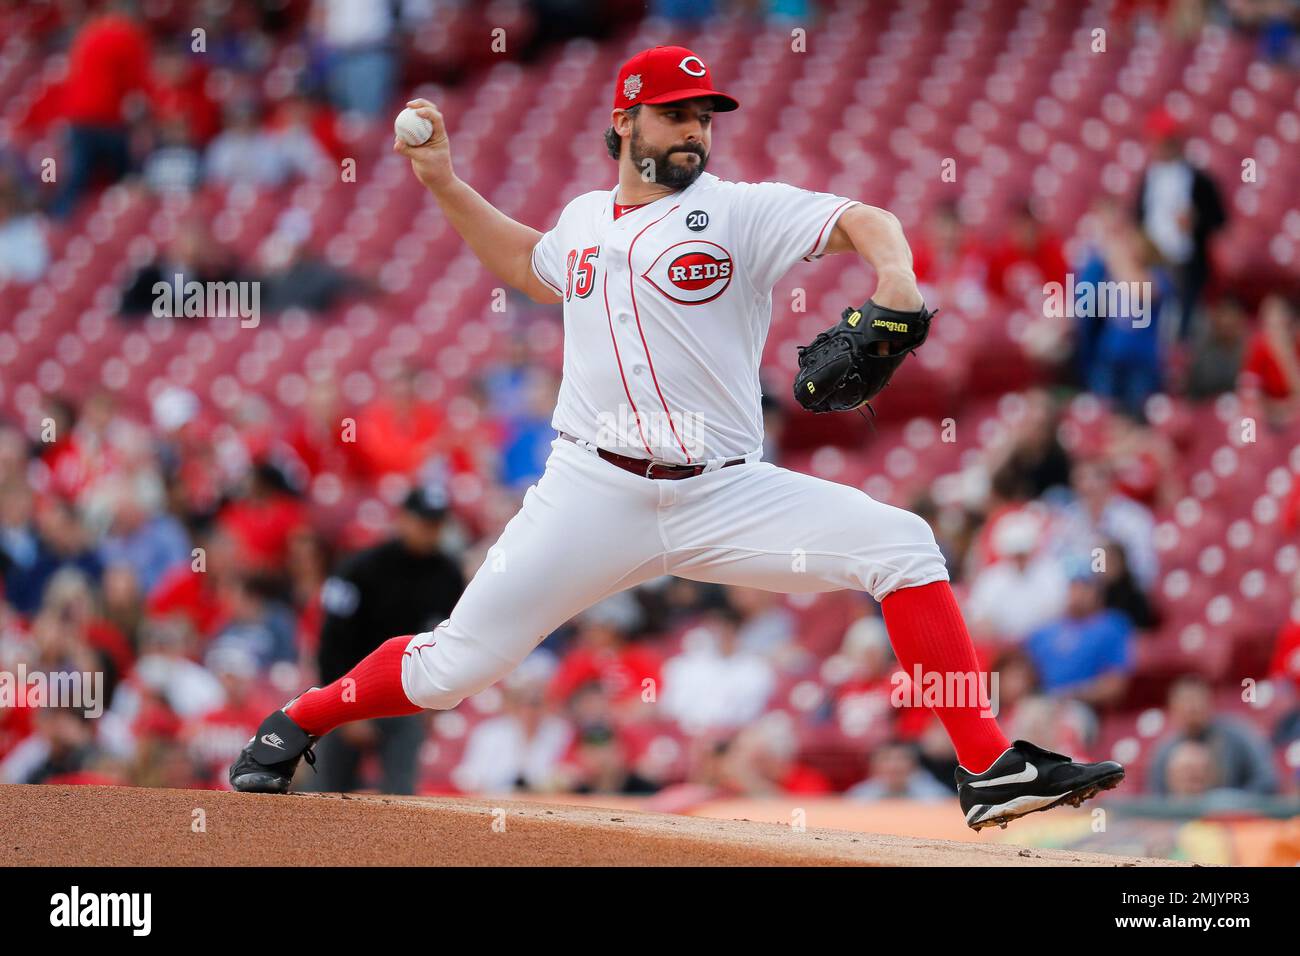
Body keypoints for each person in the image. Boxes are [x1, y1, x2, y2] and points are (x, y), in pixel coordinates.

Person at [230, 45, 1123, 831]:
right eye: (676, 113)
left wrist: (894, 277)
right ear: (625, 121)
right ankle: (303, 717)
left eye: (705, 114)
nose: (696, 127)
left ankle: (987, 766)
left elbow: (865, 219)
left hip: (723, 490)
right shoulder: (582, 222)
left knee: (904, 543)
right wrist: (445, 184)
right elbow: (524, 263)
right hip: (591, 491)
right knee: (450, 672)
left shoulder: (737, 211)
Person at [307, 485, 465, 794]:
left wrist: (436, 703)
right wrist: (340, 708)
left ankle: (397, 845)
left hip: (406, 697)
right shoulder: (360, 568)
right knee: (324, 795)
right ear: (403, 520)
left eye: (436, 524)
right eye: (423, 522)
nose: (429, 531)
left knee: (401, 798)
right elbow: (332, 641)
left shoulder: (449, 574)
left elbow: (453, 641)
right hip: (349, 691)